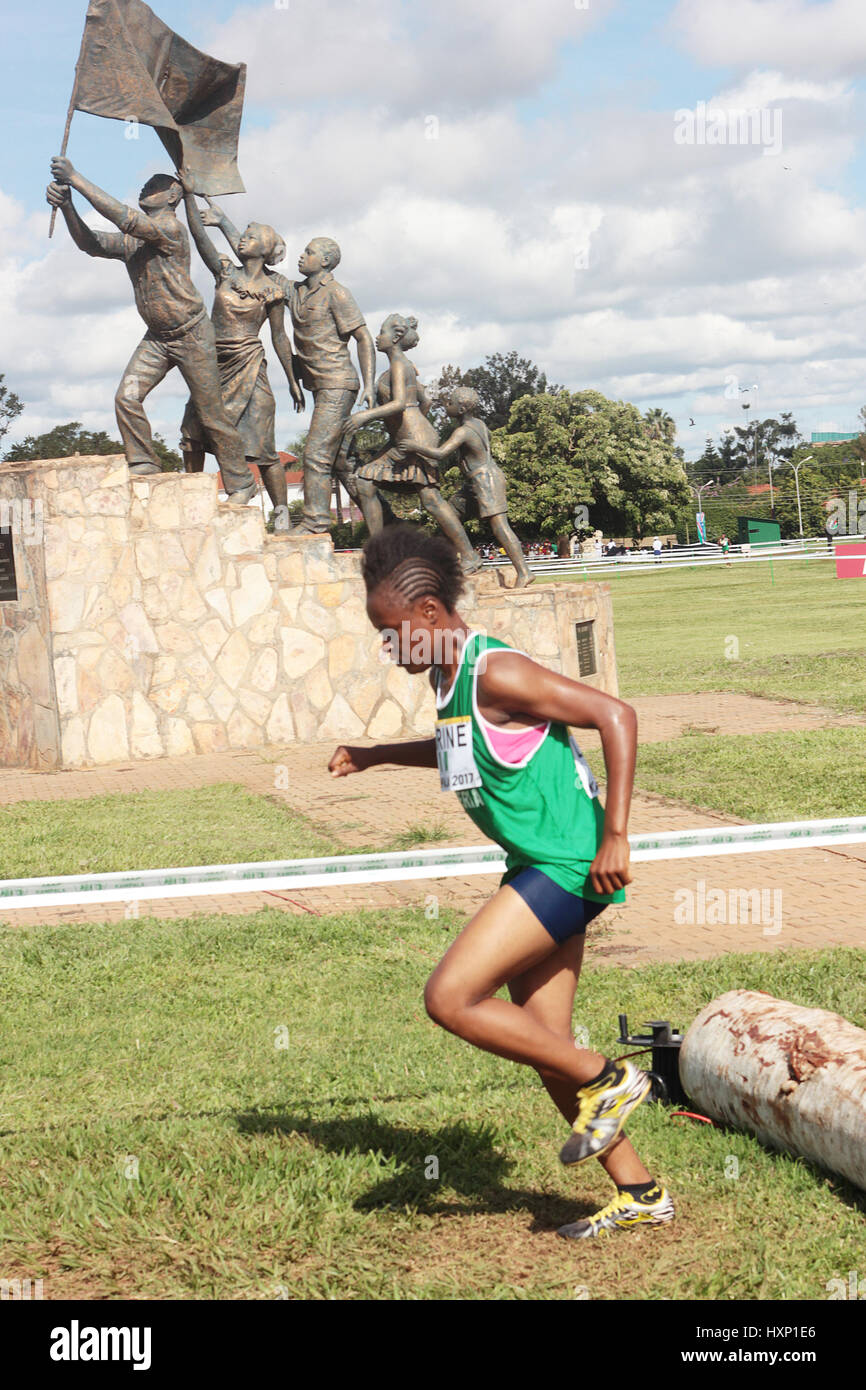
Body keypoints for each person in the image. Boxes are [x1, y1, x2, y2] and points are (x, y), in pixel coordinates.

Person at [328, 524, 674, 1240]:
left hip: (572, 865)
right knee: (541, 1043)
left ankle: (611, 1077)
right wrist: (377, 756)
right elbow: (460, 748)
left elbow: (616, 714)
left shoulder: (495, 671)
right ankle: (639, 1191)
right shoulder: (448, 678)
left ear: (427, 616)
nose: (387, 647)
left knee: (451, 997)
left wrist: (616, 832)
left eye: (391, 633)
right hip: (538, 865)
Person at [46, 158, 255, 502]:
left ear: (174, 193)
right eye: (145, 186)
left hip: (191, 333)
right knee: (126, 398)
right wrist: (68, 206)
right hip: (158, 339)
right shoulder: (136, 241)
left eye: (155, 186)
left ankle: (241, 484)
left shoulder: (170, 229)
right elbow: (91, 243)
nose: (146, 189)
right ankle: (143, 461)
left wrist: (76, 179)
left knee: (211, 417)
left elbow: (125, 218)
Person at [178, 184, 304, 529]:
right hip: (214, 364)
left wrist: (292, 380)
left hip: (251, 366)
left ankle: (281, 513)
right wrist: (189, 195)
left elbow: (279, 335)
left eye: (251, 237)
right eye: (243, 235)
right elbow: (198, 234)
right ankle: (192, 495)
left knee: (264, 448)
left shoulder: (274, 289)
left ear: (264, 248)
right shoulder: (225, 272)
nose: (243, 240)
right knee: (193, 433)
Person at [341, 316, 481, 573]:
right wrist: (414, 426)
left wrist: (365, 416)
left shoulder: (398, 363)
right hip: (412, 435)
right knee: (424, 497)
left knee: (427, 498)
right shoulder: (405, 365)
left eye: (381, 332)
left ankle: (381, 552)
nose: (377, 337)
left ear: (394, 337)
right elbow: (425, 400)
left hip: (412, 439)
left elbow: (399, 404)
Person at [287, 236, 377, 533]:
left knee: (316, 454)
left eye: (308, 252)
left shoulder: (337, 293)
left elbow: (364, 338)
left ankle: (315, 522)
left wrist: (369, 385)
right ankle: (386, 522)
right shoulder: (297, 291)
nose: (301, 256)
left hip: (338, 383)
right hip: (319, 385)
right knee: (341, 461)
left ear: (325, 261)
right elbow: (255, 266)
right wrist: (222, 222)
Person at [410, 387, 531, 586]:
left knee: (500, 526)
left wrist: (413, 446)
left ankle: (524, 571)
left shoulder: (463, 431)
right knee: (450, 515)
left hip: (485, 480)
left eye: (450, 403)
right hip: (476, 482)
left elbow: (441, 453)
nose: (446, 406)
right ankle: (448, 563)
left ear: (462, 408)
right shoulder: (479, 424)